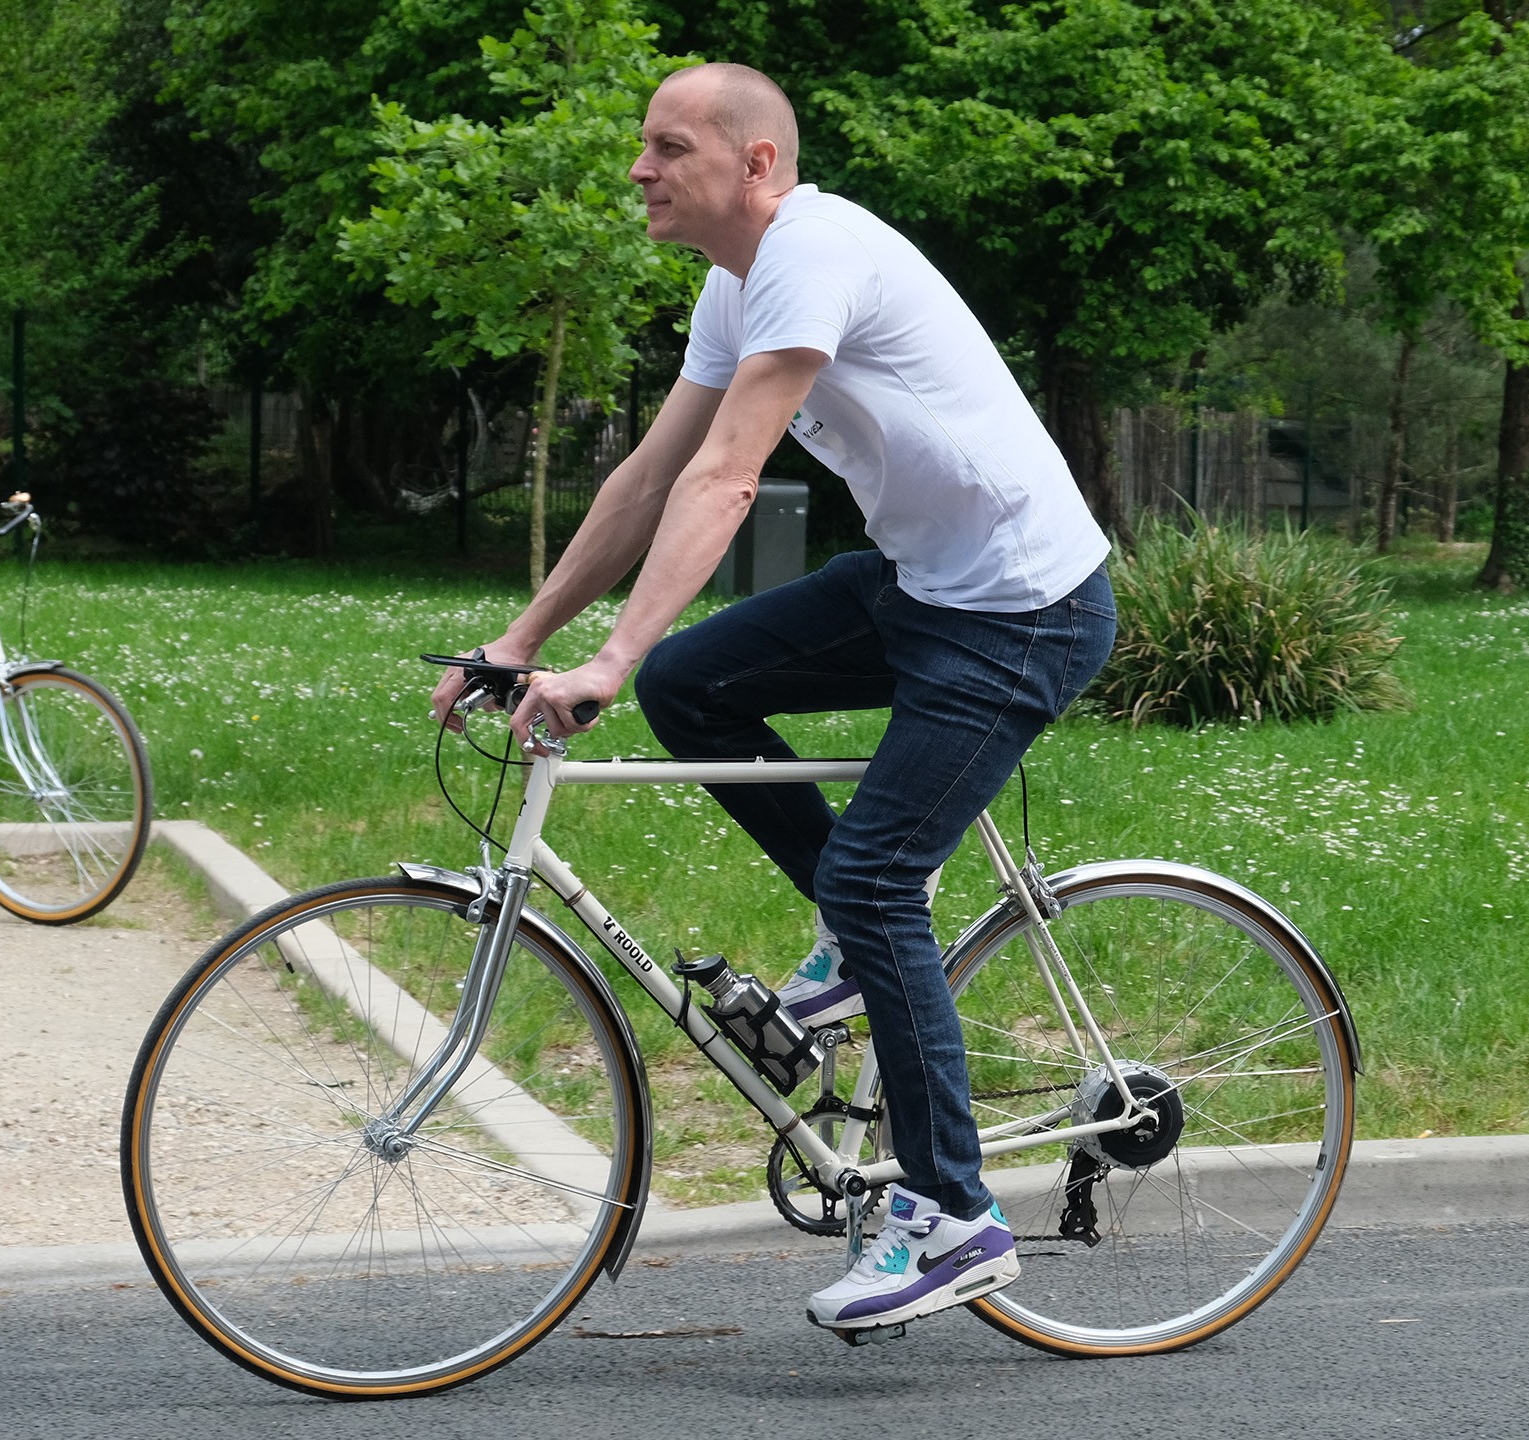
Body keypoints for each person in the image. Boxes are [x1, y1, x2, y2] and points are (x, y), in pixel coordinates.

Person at [431, 61, 1115, 1333]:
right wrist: (522, 639)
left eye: (666, 146)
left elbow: (729, 478)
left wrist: (608, 662)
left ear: (754, 165)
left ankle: (953, 1218)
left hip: (1022, 611)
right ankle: (858, 951)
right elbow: (654, 473)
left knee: (870, 877)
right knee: (702, 685)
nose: (639, 168)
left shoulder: (810, 250)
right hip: (925, 584)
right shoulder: (734, 281)